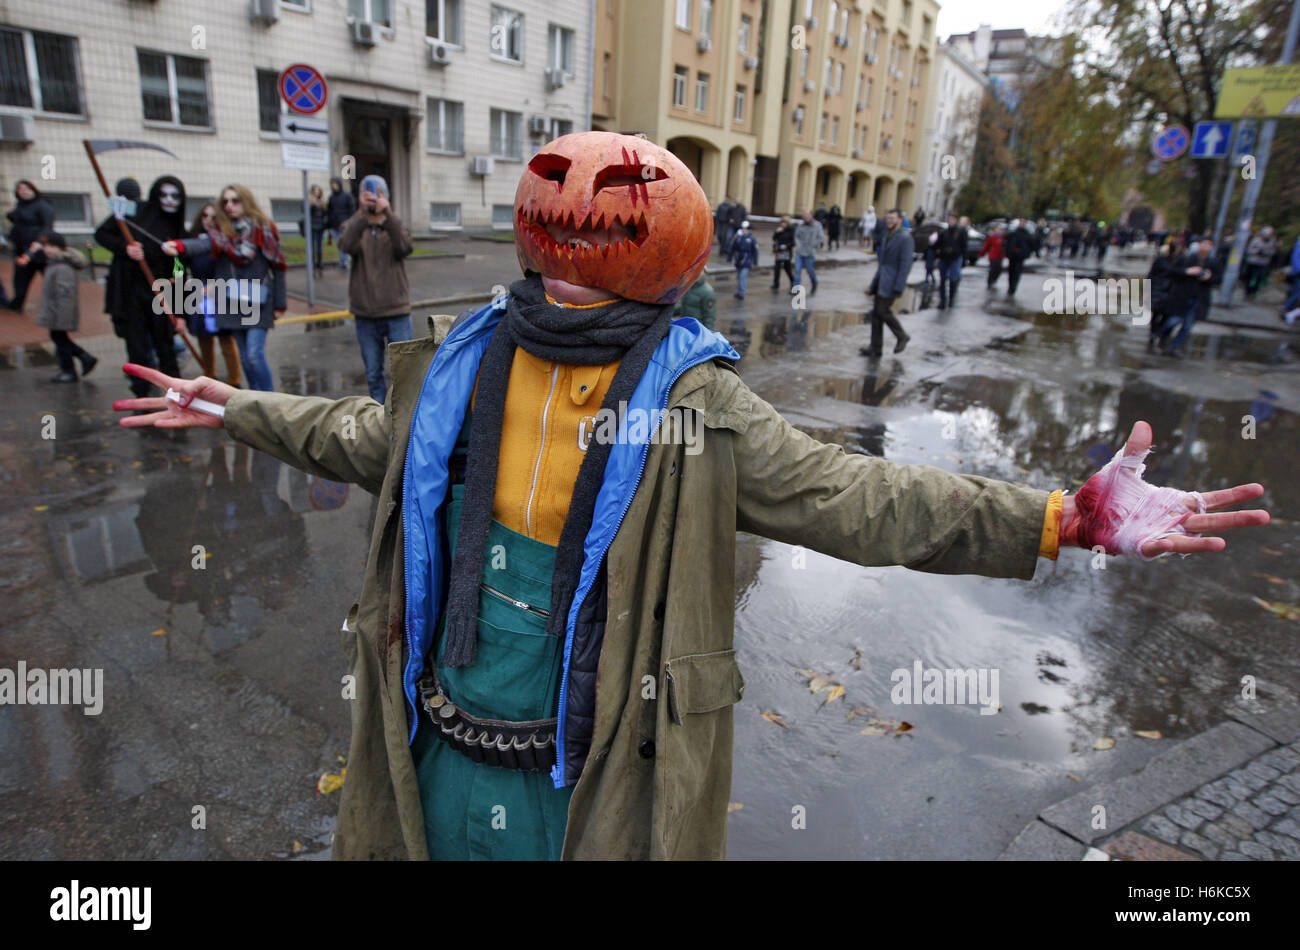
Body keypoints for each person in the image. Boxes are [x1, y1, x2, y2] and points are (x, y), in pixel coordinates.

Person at [112, 130, 1269, 863]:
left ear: (664, 252)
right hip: (436, 735)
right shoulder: (465, 359)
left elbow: (854, 496)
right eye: (559, 218)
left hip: (593, 753)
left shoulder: (697, 402)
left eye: (606, 224)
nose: (573, 248)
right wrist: (232, 405)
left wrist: (1061, 515)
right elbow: (366, 437)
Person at [164, 183, 287, 392]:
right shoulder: (221, 232)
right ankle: (254, 399)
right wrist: (179, 246)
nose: (229, 205)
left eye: (235, 200)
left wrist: (280, 303)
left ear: (246, 202)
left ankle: (270, 400)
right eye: (225, 201)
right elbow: (202, 245)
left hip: (259, 300)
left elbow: (279, 266)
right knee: (245, 358)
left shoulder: (263, 229)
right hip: (231, 300)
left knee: (255, 355)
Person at [95, 175, 188, 399]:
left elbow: (179, 269)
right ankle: (142, 395)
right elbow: (101, 234)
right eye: (164, 194)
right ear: (155, 194)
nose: (169, 200)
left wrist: (180, 312)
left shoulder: (176, 224)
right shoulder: (134, 209)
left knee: (165, 346)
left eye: (175, 196)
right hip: (131, 292)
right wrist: (125, 248)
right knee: (137, 348)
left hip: (161, 293)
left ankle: (176, 396)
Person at [338, 174, 414, 404]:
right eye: (366, 193)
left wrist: (388, 213)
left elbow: (404, 247)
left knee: (404, 373)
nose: (371, 198)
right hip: (365, 314)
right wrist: (361, 215)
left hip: (396, 312)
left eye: (376, 193)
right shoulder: (354, 225)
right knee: (373, 373)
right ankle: (380, 418)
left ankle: (402, 419)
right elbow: (346, 246)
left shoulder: (394, 225)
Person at [183, 203, 241, 386]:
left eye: (213, 217)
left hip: (221, 292)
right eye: (205, 216)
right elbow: (181, 266)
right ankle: (209, 377)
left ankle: (235, 382)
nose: (208, 220)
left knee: (226, 339)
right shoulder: (193, 241)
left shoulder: (226, 241)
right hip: (198, 292)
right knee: (203, 338)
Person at [34, 232, 96, 383]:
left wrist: (64, 317)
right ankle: (83, 358)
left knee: (60, 339)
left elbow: (66, 295)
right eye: (45, 246)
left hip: (60, 313)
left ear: (61, 247)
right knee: (59, 339)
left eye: (51, 246)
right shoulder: (54, 263)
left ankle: (71, 368)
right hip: (55, 311)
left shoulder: (62, 267)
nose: (47, 249)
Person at [1158, 236, 1221, 357]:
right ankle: (1162, 335)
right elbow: (1172, 272)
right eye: (1204, 243)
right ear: (1199, 244)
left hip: (1199, 298)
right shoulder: (1187, 259)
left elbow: (1218, 279)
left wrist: (1209, 278)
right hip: (1182, 296)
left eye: (1209, 244)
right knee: (1173, 321)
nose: (1206, 247)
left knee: (1187, 325)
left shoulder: (1213, 263)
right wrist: (1187, 271)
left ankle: (1174, 347)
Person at [864, 208, 913, 355]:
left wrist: (899, 285)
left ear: (900, 220)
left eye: (892, 218)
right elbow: (882, 263)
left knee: (882, 311)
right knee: (876, 314)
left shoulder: (905, 238)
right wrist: (873, 284)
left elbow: (905, 265)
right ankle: (875, 347)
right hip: (881, 280)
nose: (889, 221)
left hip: (892, 282)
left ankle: (902, 336)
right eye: (887, 218)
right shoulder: (888, 235)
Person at [7, 180, 55, 312]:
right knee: (20, 278)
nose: (24, 191)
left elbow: (47, 227)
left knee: (50, 277)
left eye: (27, 188)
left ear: (34, 190)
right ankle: (17, 303)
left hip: (39, 250)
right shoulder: (20, 206)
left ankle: (57, 303)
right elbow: (18, 219)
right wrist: (10, 214)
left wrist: (38, 243)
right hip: (21, 249)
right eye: (20, 189)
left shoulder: (43, 206)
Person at [1146, 236, 1188, 353]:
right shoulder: (1161, 259)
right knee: (1156, 313)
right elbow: (1152, 273)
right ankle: (1153, 333)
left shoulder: (1182, 261)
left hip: (1172, 292)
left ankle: (1160, 333)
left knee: (1167, 314)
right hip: (1159, 289)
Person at [937, 213, 966, 310]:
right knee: (942, 280)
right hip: (944, 258)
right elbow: (938, 245)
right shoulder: (944, 232)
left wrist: (963, 259)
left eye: (952, 219)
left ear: (956, 220)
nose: (950, 221)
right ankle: (942, 300)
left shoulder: (961, 232)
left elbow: (964, 246)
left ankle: (951, 298)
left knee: (953, 280)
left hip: (955, 258)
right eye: (949, 219)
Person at [326, 177, 357, 269]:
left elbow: (351, 210)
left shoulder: (347, 196)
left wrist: (349, 222)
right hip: (335, 224)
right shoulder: (332, 197)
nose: (333, 186)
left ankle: (346, 260)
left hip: (345, 224)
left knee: (345, 243)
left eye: (335, 184)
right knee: (339, 243)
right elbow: (330, 210)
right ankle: (343, 260)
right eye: (332, 184)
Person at [792, 210, 824, 295]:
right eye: (804, 215)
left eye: (807, 215)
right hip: (800, 252)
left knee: (810, 271)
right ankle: (796, 289)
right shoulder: (800, 225)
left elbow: (820, 237)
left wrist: (813, 245)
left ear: (811, 215)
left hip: (810, 253)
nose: (805, 217)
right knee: (797, 270)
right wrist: (798, 245)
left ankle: (814, 283)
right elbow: (796, 236)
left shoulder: (817, 225)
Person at [1244, 226, 1278, 300]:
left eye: (1270, 234)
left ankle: (1254, 291)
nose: (1268, 235)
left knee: (1259, 277)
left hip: (1263, 262)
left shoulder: (1272, 242)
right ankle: (1247, 291)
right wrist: (1257, 251)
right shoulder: (1256, 240)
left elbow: (1273, 252)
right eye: (1267, 234)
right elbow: (1249, 249)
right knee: (1249, 276)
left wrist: (1267, 253)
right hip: (1253, 261)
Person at [302, 184, 328, 276]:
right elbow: (305, 211)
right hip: (312, 226)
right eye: (315, 190)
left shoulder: (323, 202)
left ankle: (320, 263)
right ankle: (312, 264)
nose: (317, 192)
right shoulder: (309, 201)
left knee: (319, 246)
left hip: (320, 226)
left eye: (318, 190)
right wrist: (313, 205)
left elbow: (325, 214)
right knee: (312, 246)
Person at [1004, 220, 1035, 296]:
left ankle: (1013, 287)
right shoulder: (1013, 233)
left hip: (1020, 256)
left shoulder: (1027, 234)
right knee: (1011, 272)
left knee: (1017, 272)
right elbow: (1006, 242)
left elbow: (1032, 244)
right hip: (1012, 256)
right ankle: (1011, 286)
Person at [730, 221, 759, 299]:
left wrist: (755, 262)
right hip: (739, 260)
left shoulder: (752, 239)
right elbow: (733, 247)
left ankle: (742, 293)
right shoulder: (739, 237)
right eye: (742, 228)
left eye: (745, 229)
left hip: (747, 261)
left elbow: (755, 251)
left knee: (743, 277)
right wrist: (730, 258)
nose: (744, 230)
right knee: (739, 277)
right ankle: (740, 291)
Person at [771, 216, 796, 291]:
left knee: (787, 268)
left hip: (787, 252)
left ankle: (793, 282)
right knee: (777, 268)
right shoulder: (780, 230)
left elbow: (793, 242)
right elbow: (774, 238)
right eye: (782, 222)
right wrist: (776, 232)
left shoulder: (791, 230)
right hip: (779, 251)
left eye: (784, 222)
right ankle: (776, 284)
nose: (783, 224)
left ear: (788, 223)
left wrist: (787, 246)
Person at [980, 223, 1007, 290]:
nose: (998, 231)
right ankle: (990, 281)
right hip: (993, 255)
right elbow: (987, 246)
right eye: (997, 229)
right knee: (993, 269)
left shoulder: (1004, 237)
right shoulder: (992, 237)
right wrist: (982, 253)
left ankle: (994, 279)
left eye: (999, 229)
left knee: (999, 269)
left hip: (1000, 256)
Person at [1283, 233, 1300, 325]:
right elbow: (1296, 260)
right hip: (1298, 273)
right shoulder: (1299, 245)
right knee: (1297, 293)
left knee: (1296, 292)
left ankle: (1289, 311)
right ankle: (1287, 310)